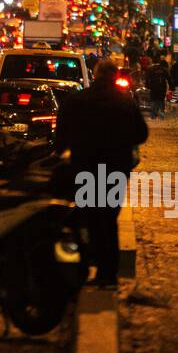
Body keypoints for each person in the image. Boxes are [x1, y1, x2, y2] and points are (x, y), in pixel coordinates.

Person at [55, 59, 149, 287]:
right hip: (115, 168)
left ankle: (85, 266)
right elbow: (141, 134)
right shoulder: (125, 102)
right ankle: (108, 273)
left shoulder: (77, 100)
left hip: (85, 167)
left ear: (95, 75)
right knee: (108, 218)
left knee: (88, 217)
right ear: (115, 76)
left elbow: (61, 135)